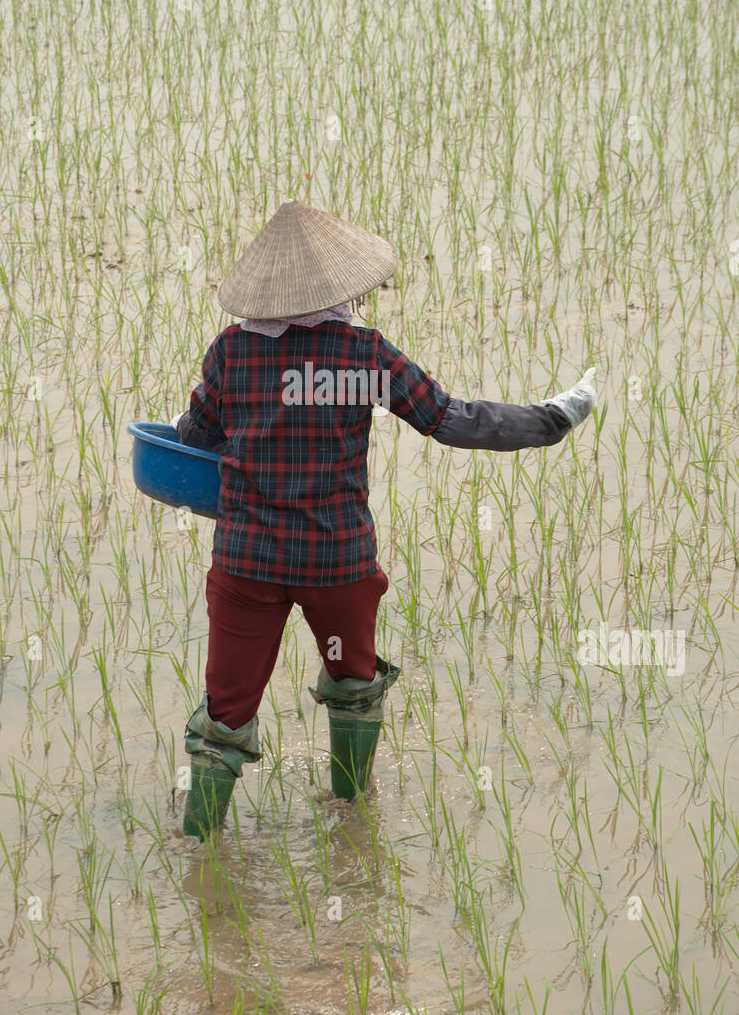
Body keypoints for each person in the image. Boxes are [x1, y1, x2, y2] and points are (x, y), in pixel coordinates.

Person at [173, 201, 597, 838]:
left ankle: (199, 854)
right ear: (340, 288)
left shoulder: (232, 351)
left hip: (246, 567)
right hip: (335, 563)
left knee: (224, 717)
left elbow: (194, 434)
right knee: (351, 681)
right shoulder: (362, 353)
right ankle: (350, 822)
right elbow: (452, 421)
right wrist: (554, 417)